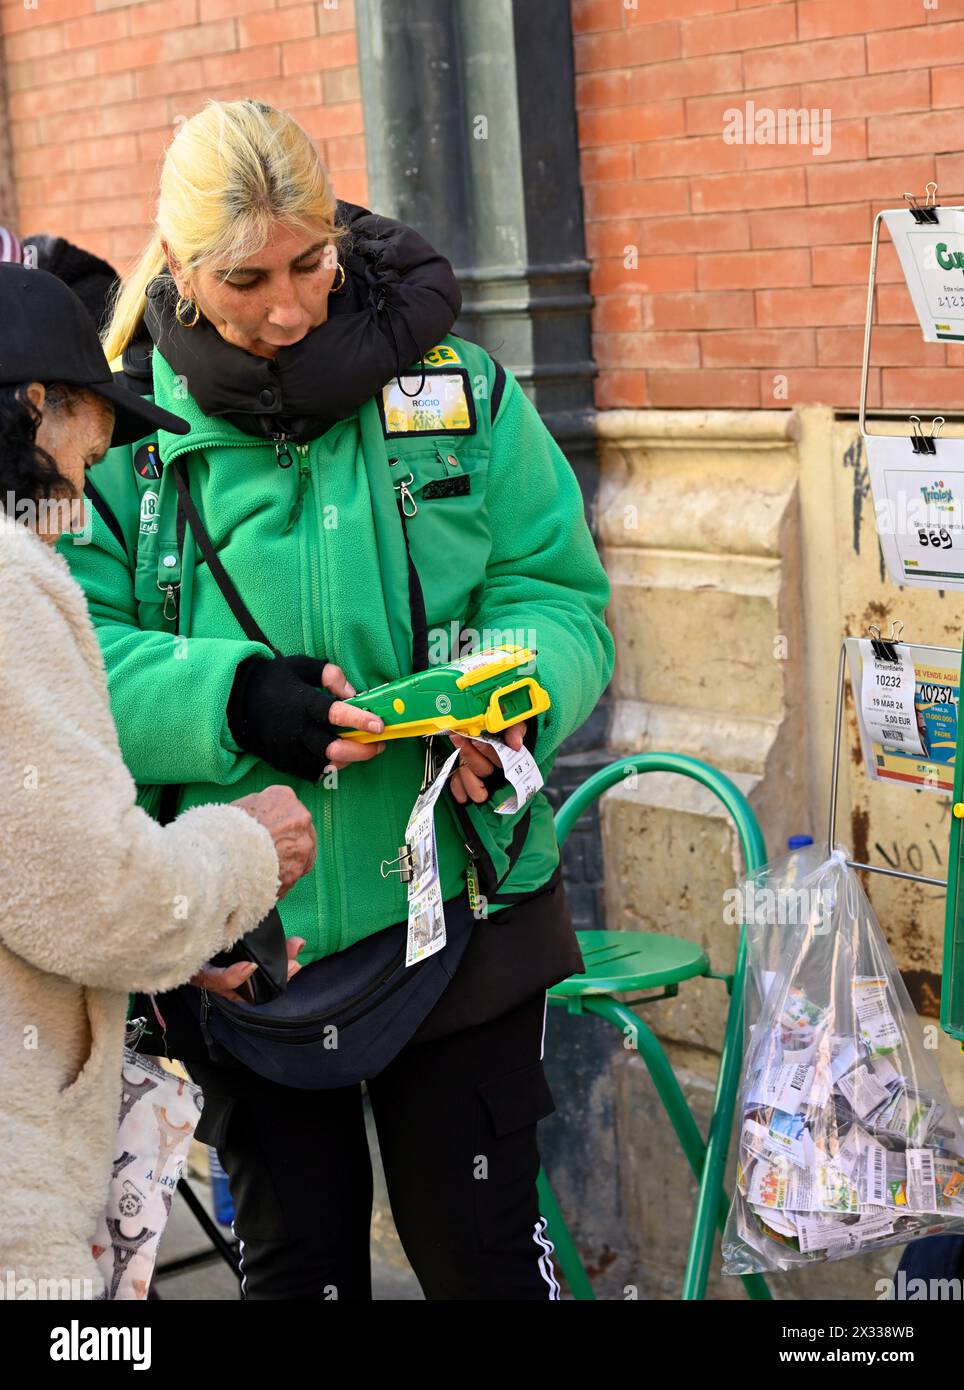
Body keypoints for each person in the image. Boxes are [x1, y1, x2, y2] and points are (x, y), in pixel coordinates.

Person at [63, 98, 614, 1300]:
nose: (290, 307)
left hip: (460, 910)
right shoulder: (111, 432)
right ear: (179, 268)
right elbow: (60, 655)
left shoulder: (457, 386)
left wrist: (511, 699)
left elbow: (558, 595)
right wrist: (232, 698)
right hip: (243, 940)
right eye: (245, 278)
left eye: (311, 261)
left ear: (341, 234)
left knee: (484, 1268)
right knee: (300, 1271)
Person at [0, 263, 318, 1300]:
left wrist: (174, 953)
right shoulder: (8, 579)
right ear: (37, 405)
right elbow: (96, 896)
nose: (85, 499)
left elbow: (27, 872)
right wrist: (243, 851)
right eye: (86, 454)